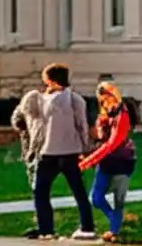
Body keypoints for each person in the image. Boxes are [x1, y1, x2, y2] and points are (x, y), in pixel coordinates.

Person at [31, 63, 96, 241]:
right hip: (70, 151)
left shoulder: (44, 100)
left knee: (41, 191)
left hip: (49, 152)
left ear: (50, 80)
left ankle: (46, 229)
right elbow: (82, 126)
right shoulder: (75, 100)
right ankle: (87, 226)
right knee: (79, 191)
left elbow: (38, 124)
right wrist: (85, 148)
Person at [80, 81, 138, 243]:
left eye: (107, 98)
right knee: (96, 198)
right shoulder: (106, 114)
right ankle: (115, 221)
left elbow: (112, 144)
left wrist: (88, 161)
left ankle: (114, 231)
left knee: (119, 200)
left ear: (114, 96)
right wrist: (100, 123)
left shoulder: (123, 115)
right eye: (102, 100)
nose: (105, 102)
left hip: (122, 161)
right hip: (105, 162)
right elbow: (100, 138)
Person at [12, 88, 47, 239]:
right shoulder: (38, 112)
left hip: (41, 155)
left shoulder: (34, 117)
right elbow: (17, 122)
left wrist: (31, 153)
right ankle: (44, 226)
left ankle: (44, 226)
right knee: (40, 191)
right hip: (44, 152)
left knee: (39, 190)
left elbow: (17, 123)